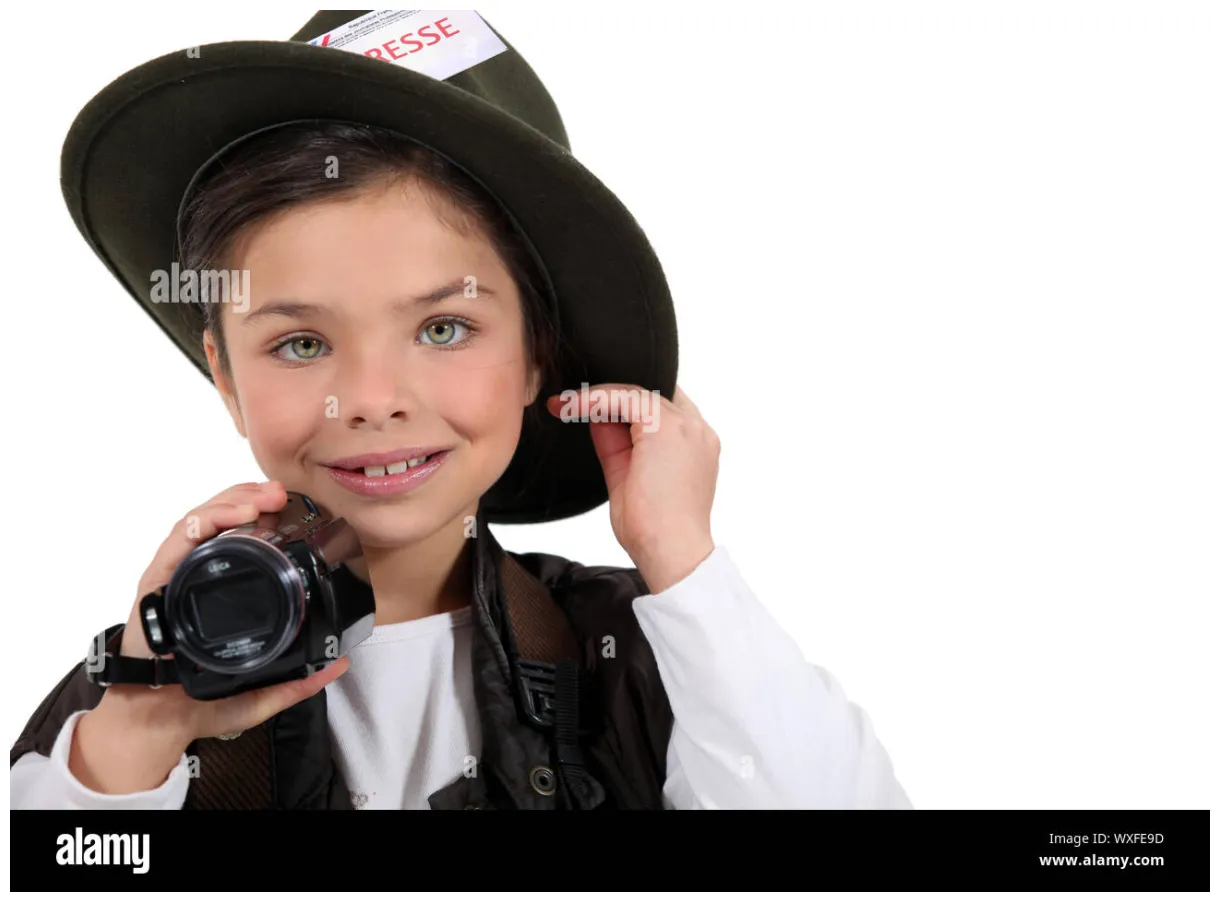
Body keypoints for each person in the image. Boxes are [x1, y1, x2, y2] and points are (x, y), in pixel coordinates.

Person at [10, 12, 910, 810]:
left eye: (444, 328)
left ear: (536, 354)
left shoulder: (646, 658)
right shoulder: (133, 694)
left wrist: (683, 561)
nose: (371, 400)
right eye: (302, 343)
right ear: (225, 377)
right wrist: (136, 734)